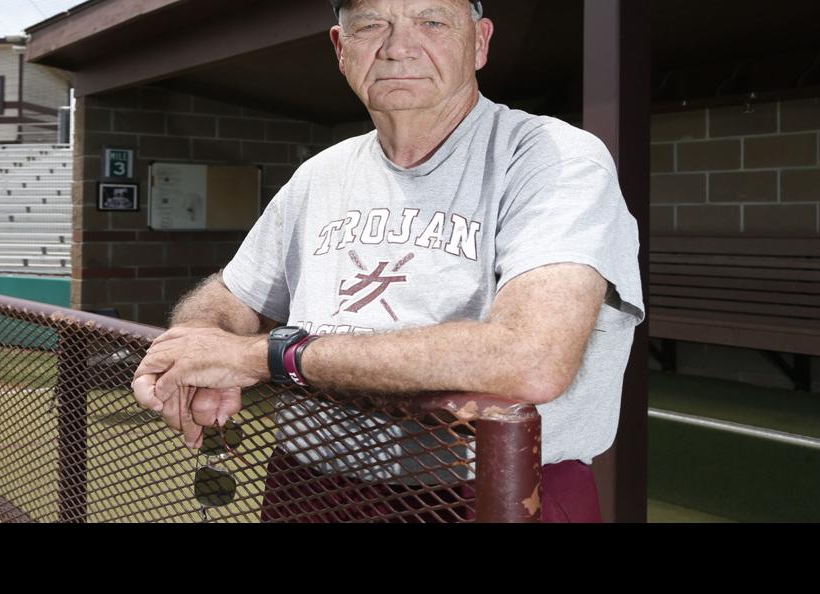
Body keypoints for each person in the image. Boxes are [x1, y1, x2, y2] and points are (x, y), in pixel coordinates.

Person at [130, 0, 643, 522]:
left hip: (491, 489)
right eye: (371, 25)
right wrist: (197, 346)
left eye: (432, 21)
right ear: (341, 49)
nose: (398, 48)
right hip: (308, 483)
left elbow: (531, 358)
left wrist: (262, 357)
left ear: (480, 42)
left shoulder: (551, 156)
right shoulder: (321, 174)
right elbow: (233, 296)